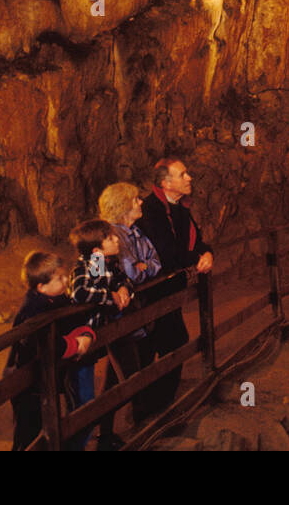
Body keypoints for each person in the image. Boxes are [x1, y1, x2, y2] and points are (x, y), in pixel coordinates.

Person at [137, 157, 214, 413]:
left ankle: (155, 407)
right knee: (161, 345)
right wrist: (196, 257)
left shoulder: (179, 208)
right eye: (183, 175)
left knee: (165, 343)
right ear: (166, 182)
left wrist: (206, 253)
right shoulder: (151, 211)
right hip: (153, 292)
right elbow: (166, 253)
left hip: (171, 290)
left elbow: (195, 240)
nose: (189, 177)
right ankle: (151, 409)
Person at [5, 251, 95, 452]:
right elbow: (42, 344)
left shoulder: (59, 300)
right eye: (60, 278)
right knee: (28, 434)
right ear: (41, 286)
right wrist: (73, 345)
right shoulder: (32, 310)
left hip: (47, 378)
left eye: (65, 276)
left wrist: (86, 335)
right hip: (27, 382)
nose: (66, 281)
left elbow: (78, 319)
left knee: (51, 426)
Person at [68, 219, 136, 450]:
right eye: (110, 238)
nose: (117, 239)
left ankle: (104, 435)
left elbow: (119, 279)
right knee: (83, 400)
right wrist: (111, 297)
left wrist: (124, 288)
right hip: (81, 343)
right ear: (97, 249)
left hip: (101, 335)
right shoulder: (87, 266)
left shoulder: (103, 262)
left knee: (118, 378)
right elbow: (80, 292)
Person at [98, 183, 162, 425]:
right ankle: (138, 424)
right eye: (136, 199)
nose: (141, 203)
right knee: (130, 375)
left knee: (117, 378)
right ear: (123, 205)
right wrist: (140, 269)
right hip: (119, 319)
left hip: (135, 316)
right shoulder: (112, 236)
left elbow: (155, 262)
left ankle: (108, 431)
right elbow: (130, 272)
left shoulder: (135, 232)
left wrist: (143, 268)